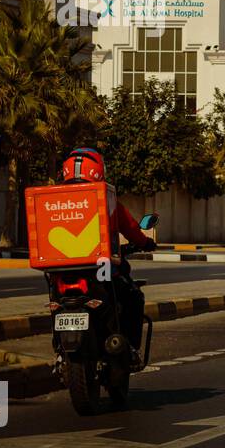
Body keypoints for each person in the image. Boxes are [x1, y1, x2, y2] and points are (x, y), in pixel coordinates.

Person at [60, 147, 156, 367]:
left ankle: (58, 351)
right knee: (133, 296)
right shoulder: (108, 199)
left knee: (55, 300)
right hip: (101, 269)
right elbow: (131, 229)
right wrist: (145, 242)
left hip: (61, 271)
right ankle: (130, 349)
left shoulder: (52, 200)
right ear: (98, 170)